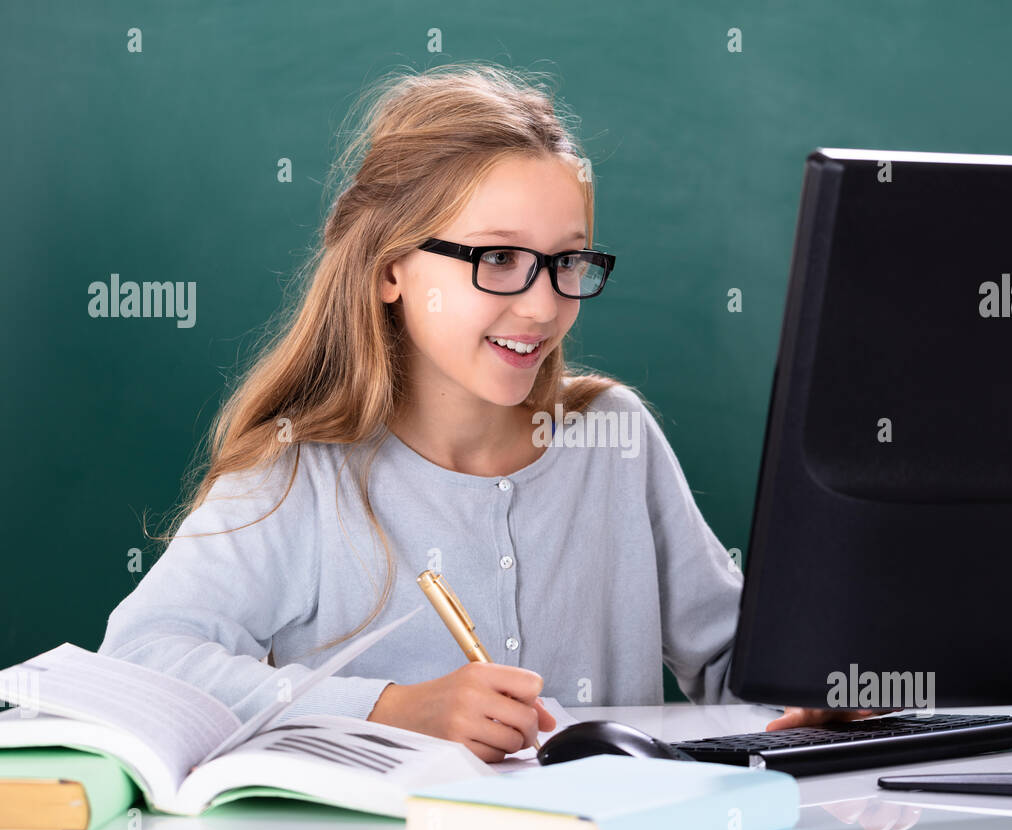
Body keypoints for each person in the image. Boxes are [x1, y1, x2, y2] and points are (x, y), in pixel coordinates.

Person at [99, 62, 876, 763]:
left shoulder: (614, 436)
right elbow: (142, 657)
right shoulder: (303, 468)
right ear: (388, 269)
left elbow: (738, 665)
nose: (542, 304)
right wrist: (394, 708)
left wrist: (806, 689)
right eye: (497, 259)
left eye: (567, 260)